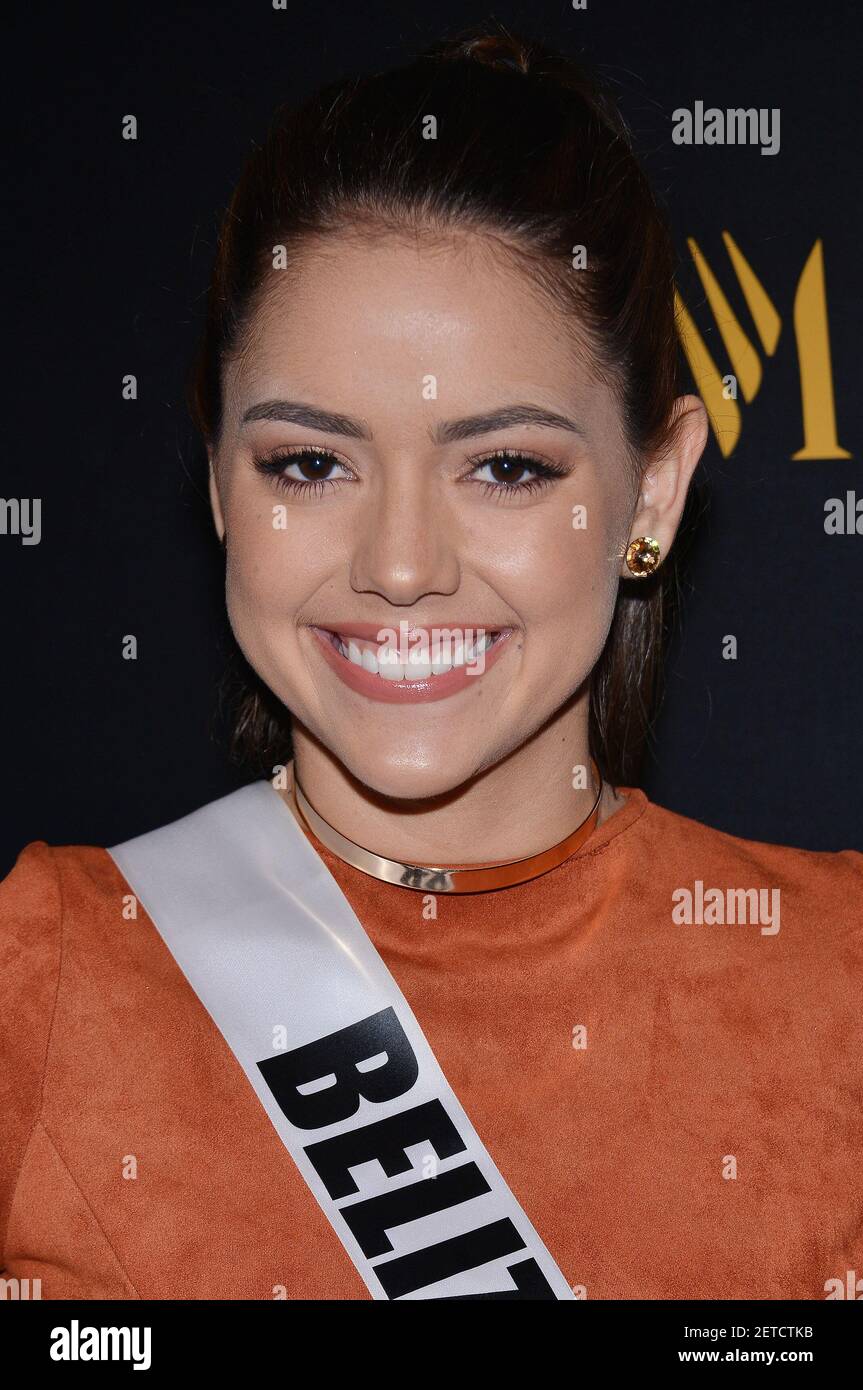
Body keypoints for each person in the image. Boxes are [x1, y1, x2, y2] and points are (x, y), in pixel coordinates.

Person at [1, 22, 860, 1302]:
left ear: (652, 493)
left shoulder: (832, 985)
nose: (400, 563)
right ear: (222, 483)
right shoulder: (47, 973)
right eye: (309, 463)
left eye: (506, 466)